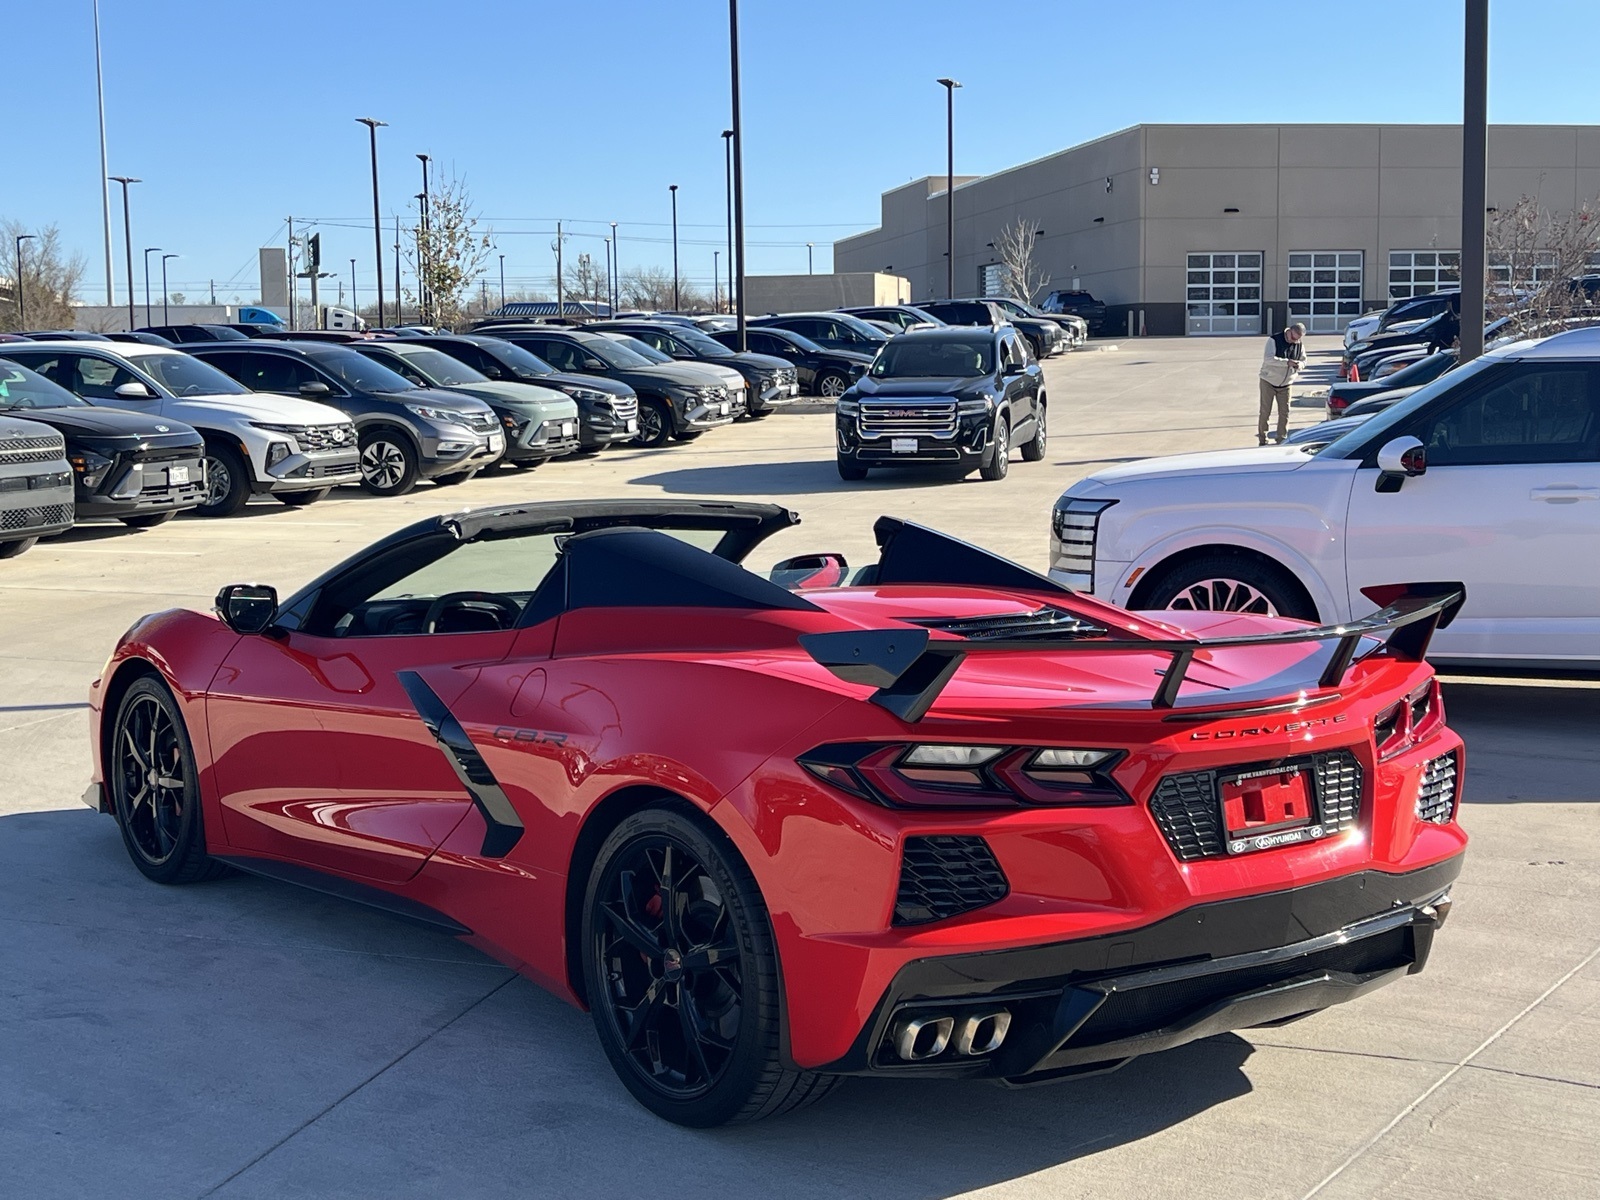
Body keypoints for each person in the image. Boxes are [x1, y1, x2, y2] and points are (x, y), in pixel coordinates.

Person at [1258, 322, 1305, 444]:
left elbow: (1304, 360)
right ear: (1289, 332)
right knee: (1265, 411)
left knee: (1285, 412)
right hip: (1268, 380)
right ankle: (1263, 438)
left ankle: (1281, 439)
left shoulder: (1299, 344)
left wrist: (1299, 365)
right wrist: (1286, 362)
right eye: (1293, 338)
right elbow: (1268, 359)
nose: (1294, 341)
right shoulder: (1274, 340)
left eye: (1298, 339)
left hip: (1286, 384)